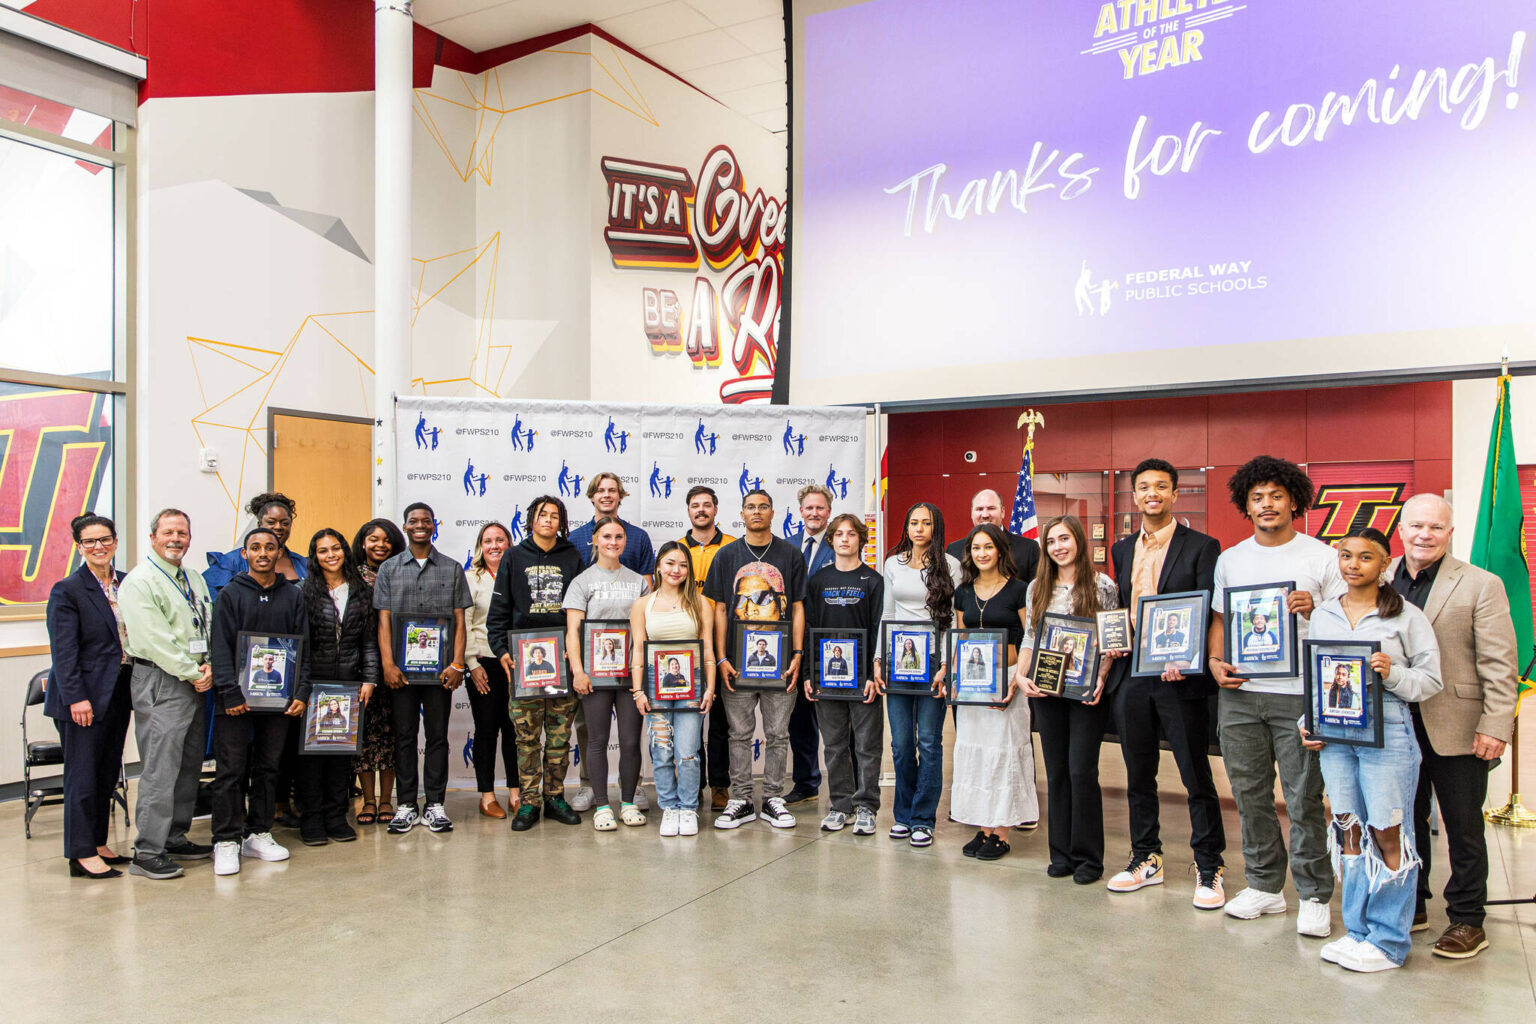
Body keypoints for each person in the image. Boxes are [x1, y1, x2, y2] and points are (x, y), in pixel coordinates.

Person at [1208, 455, 1344, 936]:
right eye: (1257, 498)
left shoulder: (1322, 556)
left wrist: (1319, 606)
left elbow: (1351, 620)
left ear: (1294, 501)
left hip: (1300, 694)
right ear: (1246, 504)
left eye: (1276, 496)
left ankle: (1313, 893)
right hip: (1242, 694)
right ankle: (1265, 887)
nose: (1266, 505)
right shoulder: (1232, 559)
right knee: (1249, 794)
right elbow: (1221, 621)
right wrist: (1214, 661)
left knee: (1304, 796)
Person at [1302, 527, 1443, 973]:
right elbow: (1316, 677)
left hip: (1389, 734)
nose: (1352, 565)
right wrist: (1310, 721)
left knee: (1388, 831)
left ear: (1385, 565)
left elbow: (1431, 681)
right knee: (1348, 827)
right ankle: (1358, 932)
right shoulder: (1324, 613)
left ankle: (1388, 940)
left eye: (1365, 557)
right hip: (1337, 738)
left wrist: (1393, 674)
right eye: (1346, 555)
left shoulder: (1407, 616)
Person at [1390, 493, 1519, 959]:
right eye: (1416, 526)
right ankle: (1415, 903)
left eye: (1436, 528)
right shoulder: (1378, 577)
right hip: (1393, 723)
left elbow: (1501, 664)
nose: (1425, 535)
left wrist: (1496, 725)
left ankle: (1467, 919)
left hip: (1458, 724)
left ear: (1450, 533)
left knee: (1464, 826)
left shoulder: (1481, 584)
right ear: (1400, 529)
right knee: (1405, 820)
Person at [1104, 459, 1226, 908]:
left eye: (1161, 486)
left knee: (1195, 772)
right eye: (1142, 487)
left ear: (1175, 494)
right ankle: (1146, 856)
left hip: (1179, 675)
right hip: (1132, 674)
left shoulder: (1202, 546)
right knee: (1138, 771)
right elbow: (1117, 608)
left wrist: (1188, 659)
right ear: (1133, 496)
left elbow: (1208, 609)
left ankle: (1209, 864)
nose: (1151, 493)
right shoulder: (1120, 550)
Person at [1016, 516, 1118, 883]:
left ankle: (1089, 858)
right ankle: (1060, 854)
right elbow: (1030, 636)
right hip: (1047, 690)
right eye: (1052, 540)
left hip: (1085, 691)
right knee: (1056, 773)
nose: (1059, 546)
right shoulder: (1037, 588)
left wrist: (1101, 679)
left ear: (1078, 540)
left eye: (1065, 538)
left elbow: (1111, 640)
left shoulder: (1101, 585)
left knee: (1081, 772)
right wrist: (1021, 675)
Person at [118, 508, 215, 880]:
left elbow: (207, 621)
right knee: (161, 768)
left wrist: (208, 665)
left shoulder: (192, 577)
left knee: (189, 764)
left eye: (183, 533)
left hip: (195, 678)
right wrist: (194, 672)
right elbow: (153, 640)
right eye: (169, 532)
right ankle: (147, 852)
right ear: (153, 537)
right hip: (162, 680)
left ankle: (174, 836)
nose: (176, 539)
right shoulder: (140, 582)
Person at [705, 489, 808, 830]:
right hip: (736, 662)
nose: (757, 512)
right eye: (750, 507)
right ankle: (742, 798)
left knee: (779, 733)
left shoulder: (790, 554)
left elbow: (796, 608)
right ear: (742, 513)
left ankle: (774, 797)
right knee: (739, 734)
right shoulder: (726, 556)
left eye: (763, 506)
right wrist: (721, 658)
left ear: (773, 512)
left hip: (780, 664)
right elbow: (720, 609)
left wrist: (796, 653)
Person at [208, 528, 308, 876]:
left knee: (268, 769)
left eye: (270, 547)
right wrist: (229, 693)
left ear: (279, 552)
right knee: (231, 771)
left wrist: (300, 692)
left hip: (278, 701)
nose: (263, 552)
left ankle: (258, 833)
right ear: (245, 554)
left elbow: (303, 647)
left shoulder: (293, 596)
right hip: (234, 702)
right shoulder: (230, 594)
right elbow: (219, 646)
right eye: (255, 547)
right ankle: (226, 840)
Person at [489, 495, 586, 831]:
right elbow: (498, 613)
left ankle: (555, 796)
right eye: (542, 515)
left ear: (562, 522)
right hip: (523, 664)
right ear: (532, 519)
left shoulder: (572, 556)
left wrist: (575, 655)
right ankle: (529, 802)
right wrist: (501, 649)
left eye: (554, 515)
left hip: (561, 661)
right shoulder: (514, 556)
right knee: (527, 739)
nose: (548, 520)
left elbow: (581, 613)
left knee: (559, 737)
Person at [373, 502, 470, 836]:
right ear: (405, 526)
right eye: (413, 521)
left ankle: (434, 804)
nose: (419, 525)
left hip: (441, 672)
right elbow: (383, 620)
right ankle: (406, 805)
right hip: (401, 672)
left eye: (426, 521)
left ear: (433, 526)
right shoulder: (388, 569)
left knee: (437, 737)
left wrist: (458, 663)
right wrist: (387, 664)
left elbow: (460, 620)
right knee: (403, 736)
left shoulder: (452, 568)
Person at [45, 514, 134, 879]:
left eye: (105, 539)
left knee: (106, 771)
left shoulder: (127, 583)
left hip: (118, 692)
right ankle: (80, 853)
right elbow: (63, 652)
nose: (99, 546)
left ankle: (98, 841)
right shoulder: (67, 590)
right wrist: (76, 698)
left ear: (114, 541)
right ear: (79, 547)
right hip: (83, 698)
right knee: (82, 776)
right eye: (90, 541)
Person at [566, 472, 654, 813]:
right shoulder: (576, 547)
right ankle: (595, 792)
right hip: (594, 669)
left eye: (612, 491)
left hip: (630, 669)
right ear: (595, 540)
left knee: (632, 739)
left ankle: (630, 793)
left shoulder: (639, 546)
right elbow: (574, 625)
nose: (613, 541)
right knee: (592, 734)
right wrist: (578, 669)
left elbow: (646, 617)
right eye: (600, 491)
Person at [874, 501, 959, 848]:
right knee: (900, 744)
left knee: (929, 742)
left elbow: (950, 618)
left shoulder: (950, 565)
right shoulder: (892, 563)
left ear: (935, 527)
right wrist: (880, 658)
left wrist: (946, 664)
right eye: (913, 523)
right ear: (906, 527)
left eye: (925, 523)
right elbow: (886, 612)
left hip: (933, 664)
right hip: (897, 662)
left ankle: (923, 819)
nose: (919, 528)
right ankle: (903, 815)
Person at [949, 524, 1033, 861]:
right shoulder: (963, 593)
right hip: (972, 683)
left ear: (1000, 550)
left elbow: (1031, 638)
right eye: (975, 548)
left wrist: (1018, 679)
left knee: (1004, 753)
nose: (981, 553)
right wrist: (955, 677)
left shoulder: (1020, 590)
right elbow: (961, 636)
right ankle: (983, 826)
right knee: (976, 755)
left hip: (1009, 679)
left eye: (988, 547)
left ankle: (1002, 831)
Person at [296, 528, 378, 846]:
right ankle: (312, 819)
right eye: (322, 550)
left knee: (341, 757)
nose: (331, 555)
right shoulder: (305, 591)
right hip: (314, 687)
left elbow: (368, 641)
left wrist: (370, 679)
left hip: (349, 686)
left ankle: (335, 816)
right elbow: (301, 643)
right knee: (311, 758)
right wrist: (301, 688)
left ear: (345, 550)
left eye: (336, 548)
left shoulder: (360, 590)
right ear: (314, 556)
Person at [806, 513, 884, 835]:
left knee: (866, 745)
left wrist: (872, 674)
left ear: (861, 540)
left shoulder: (874, 580)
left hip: (863, 678)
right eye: (838, 534)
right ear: (831, 540)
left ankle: (866, 807)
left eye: (851, 534)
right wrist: (811, 673)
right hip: (826, 678)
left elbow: (879, 628)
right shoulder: (818, 581)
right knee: (834, 745)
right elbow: (809, 629)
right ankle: (840, 805)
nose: (844, 539)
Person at [632, 541, 716, 836]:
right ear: (658, 566)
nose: (676, 570)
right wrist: (638, 691)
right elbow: (639, 652)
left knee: (688, 752)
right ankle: (669, 807)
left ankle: (688, 807)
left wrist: (710, 689)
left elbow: (708, 652)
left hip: (692, 684)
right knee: (661, 750)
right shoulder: (643, 604)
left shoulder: (701, 603)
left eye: (682, 565)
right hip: (655, 685)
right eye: (670, 563)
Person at [680, 485, 736, 811]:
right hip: (687, 648)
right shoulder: (677, 549)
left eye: (706, 505)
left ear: (716, 509)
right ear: (688, 511)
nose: (701, 510)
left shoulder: (731, 547)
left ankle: (719, 786)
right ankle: (693, 784)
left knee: (720, 722)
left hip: (725, 645)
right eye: (695, 505)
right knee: (690, 721)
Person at [350, 518, 404, 823]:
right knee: (364, 737)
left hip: (398, 665)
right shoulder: (352, 577)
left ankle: (387, 801)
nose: (380, 545)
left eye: (386, 540)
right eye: (373, 539)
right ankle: (368, 800)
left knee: (392, 737)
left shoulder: (401, 572)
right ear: (362, 542)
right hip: (362, 668)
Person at [786, 484, 836, 805]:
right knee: (799, 721)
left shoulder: (841, 544)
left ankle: (846, 789)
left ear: (828, 512)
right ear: (800, 511)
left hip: (831, 645)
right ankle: (806, 783)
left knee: (834, 723)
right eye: (809, 508)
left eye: (820, 508)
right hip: (793, 646)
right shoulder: (788, 547)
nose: (814, 513)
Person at [464, 522, 517, 820]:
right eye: (488, 541)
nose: (495, 545)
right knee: (486, 730)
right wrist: (472, 665)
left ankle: (515, 793)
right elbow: (465, 624)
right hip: (483, 662)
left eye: (500, 539)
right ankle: (486, 796)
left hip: (515, 662)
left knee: (514, 729)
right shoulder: (471, 579)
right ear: (480, 546)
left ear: (509, 543)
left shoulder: (517, 576)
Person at [202, 492, 308, 598]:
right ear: (259, 525)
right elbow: (208, 594)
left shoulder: (303, 564)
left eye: (285, 523)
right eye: (271, 522)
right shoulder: (232, 561)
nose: (278, 527)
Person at [945, 488, 1041, 583]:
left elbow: (1036, 593)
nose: (985, 515)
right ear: (971, 513)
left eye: (991, 508)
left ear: (1002, 512)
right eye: (979, 509)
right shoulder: (954, 549)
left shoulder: (1029, 549)